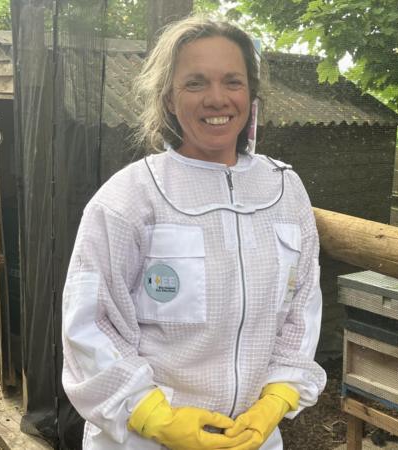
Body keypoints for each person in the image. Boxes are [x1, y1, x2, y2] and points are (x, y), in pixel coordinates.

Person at [61, 16, 327, 450]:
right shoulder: (130, 198)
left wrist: (278, 396)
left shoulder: (285, 191)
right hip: (143, 440)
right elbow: (90, 322)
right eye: (196, 83)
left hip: (251, 440)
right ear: (168, 96)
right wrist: (153, 416)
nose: (217, 98)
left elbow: (302, 307)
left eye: (233, 82)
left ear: (250, 93)